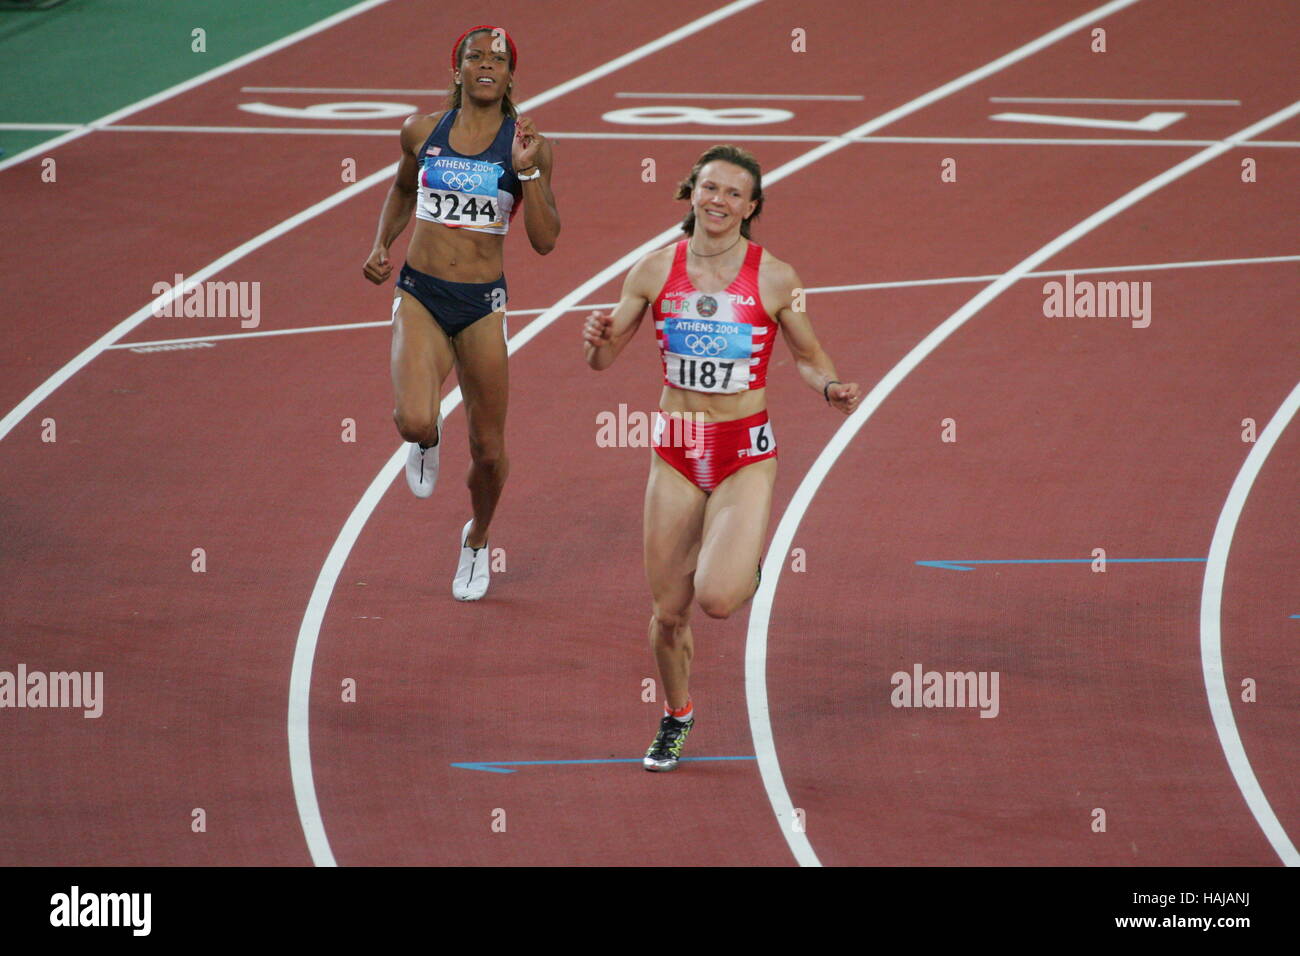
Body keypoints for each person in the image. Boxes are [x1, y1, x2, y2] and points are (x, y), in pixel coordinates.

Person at [583, 144, 861, 771]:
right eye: (710, 188)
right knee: (667, 613)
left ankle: (742, 570)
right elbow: (604, 358)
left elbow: (809, 355)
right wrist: (596, 343)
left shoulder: (776, 277)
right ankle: (677, 716)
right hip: (677, 450)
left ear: (752, 206)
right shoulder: (653, 270)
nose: (719, 201)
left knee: (715, 598)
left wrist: (830, 387)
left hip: (744, 454)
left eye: (734, 194)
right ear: (690, 192)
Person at [364, 25, 559, 600]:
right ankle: (427, 439)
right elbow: (403, 191)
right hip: (421, 292)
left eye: (498, 60)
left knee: (491, 452)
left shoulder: (528, 144)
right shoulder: (421, 131)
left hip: (481, 306)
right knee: (414, 420)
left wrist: (526, 172)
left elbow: (546, 241)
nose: (485, 65)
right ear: (457, 70)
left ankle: (476, 538)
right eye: (475, 56)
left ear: (509, 77)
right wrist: (382, 243)